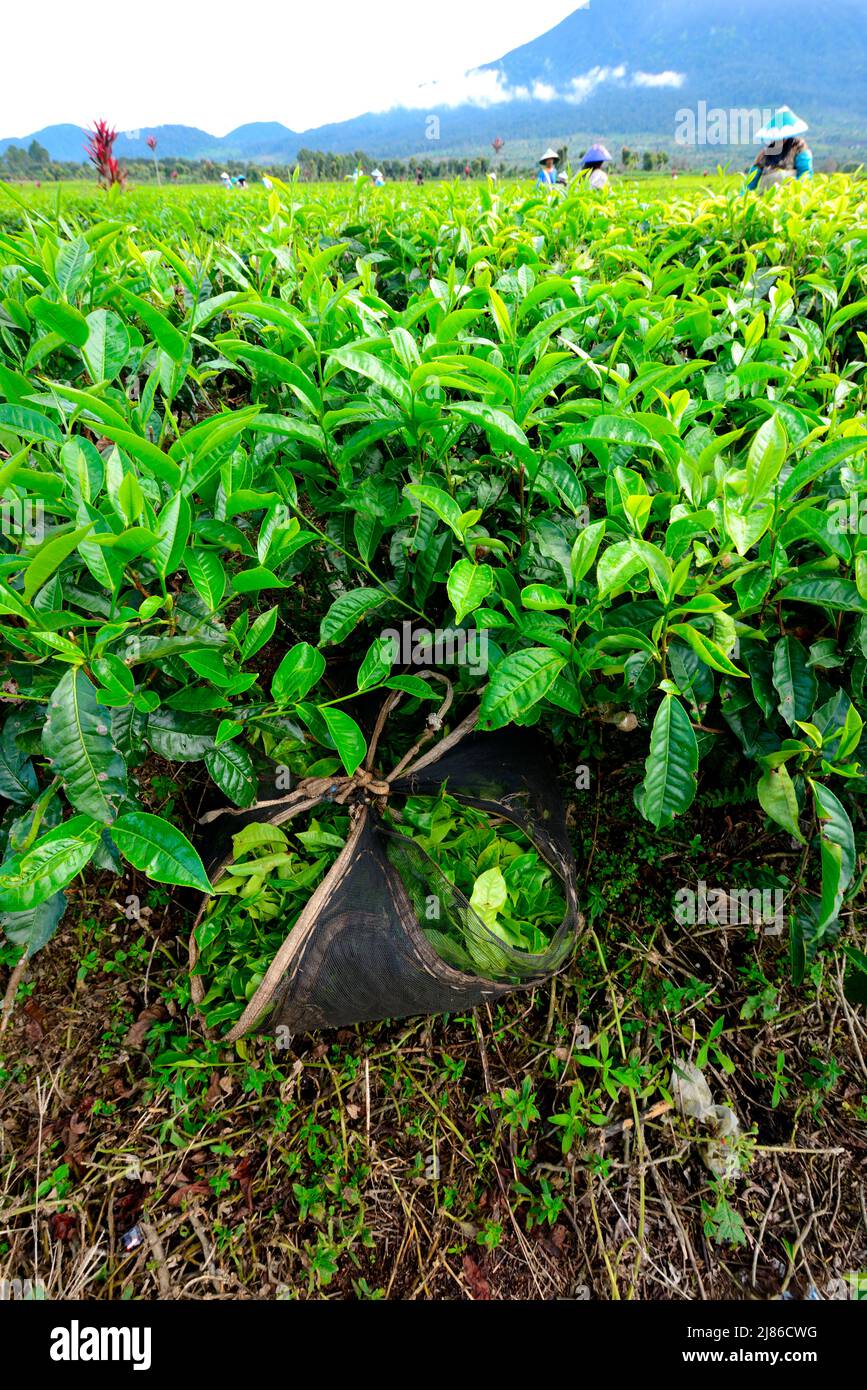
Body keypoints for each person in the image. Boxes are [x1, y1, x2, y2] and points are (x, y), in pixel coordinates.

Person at [746, 107, 813, 192]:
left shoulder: (799, 147)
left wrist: (798, 194)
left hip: (789, 198)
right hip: (767, 200)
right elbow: (750, 182)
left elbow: (805, 174)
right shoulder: (765, 154)